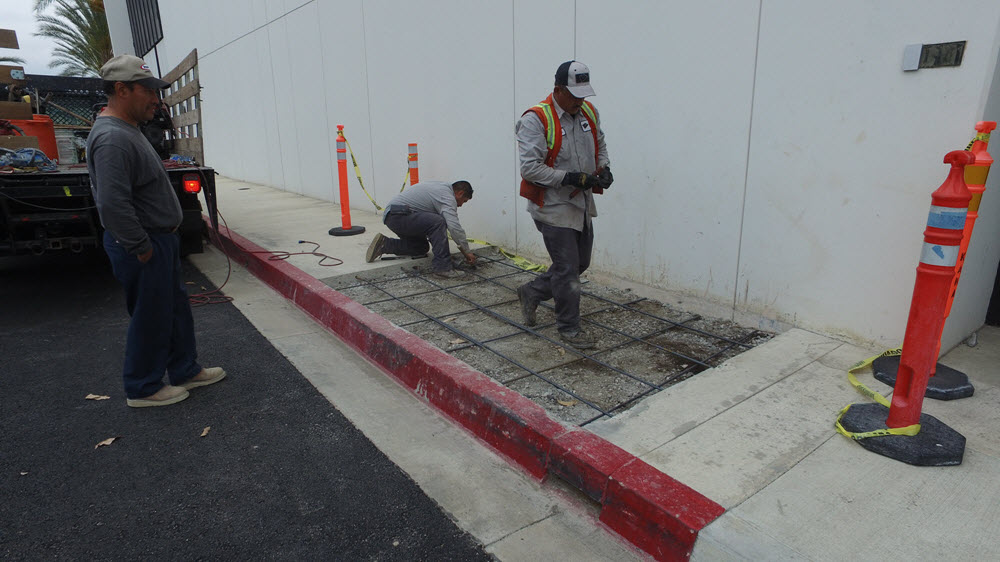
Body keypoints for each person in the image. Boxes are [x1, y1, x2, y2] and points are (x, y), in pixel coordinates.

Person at [87, 54, 225, 407]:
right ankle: (143, 388)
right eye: (148, 90)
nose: (156, 99)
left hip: (159, 239)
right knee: (151, 315)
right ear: (121, 89)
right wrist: (140, 245)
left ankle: (184, 369)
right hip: (144, 243)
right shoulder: (113, 139)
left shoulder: (127, 131)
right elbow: (113, 204)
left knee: (174, 308)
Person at [514, 61, 612, 350]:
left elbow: (601, 144)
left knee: (580, 263)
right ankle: (569, 327)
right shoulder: (535, 120)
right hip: (552, 206)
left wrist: (604, 167)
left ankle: (532, 292)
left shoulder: (588, 113)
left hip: (580, 204)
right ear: (558, 89)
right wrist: (568, 177)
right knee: (568, 268)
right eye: (574, 95)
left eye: (583, 95)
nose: (579, 101)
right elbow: (530, 169)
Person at [365, 180, 476, 279]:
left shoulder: (442, 187)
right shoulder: (447, 197)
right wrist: (467, 251)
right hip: (398, 216)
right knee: (439, 221)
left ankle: (385, 244)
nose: (461, 205)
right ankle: (443, 268)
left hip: (396, 217)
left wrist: (443, 251)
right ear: (460, 193)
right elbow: (454, 227)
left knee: (420, 248)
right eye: (463, 201)